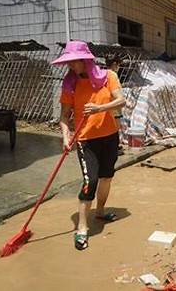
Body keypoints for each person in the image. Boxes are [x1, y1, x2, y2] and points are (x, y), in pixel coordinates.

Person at [52, 41, 126, 250]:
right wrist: (66, 137)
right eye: (69, 63)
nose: (72, 67)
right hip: (86, 140)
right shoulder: (70, 84)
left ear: (86, 60)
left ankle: (100, 212)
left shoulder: (109, 77)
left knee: (107, 177)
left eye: (75, 62)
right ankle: (82, 228)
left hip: (110, 136)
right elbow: (64, 116)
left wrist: (99, 108)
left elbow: (121, 101)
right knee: (90, 181)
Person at [106, 56, 125, 154]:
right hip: (114, 105)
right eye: (118, 65)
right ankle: (114, 148)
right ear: (114, 64)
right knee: (115, 127)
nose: (119, 67)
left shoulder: (103, 73)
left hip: (108, 104)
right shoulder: (113, 75)